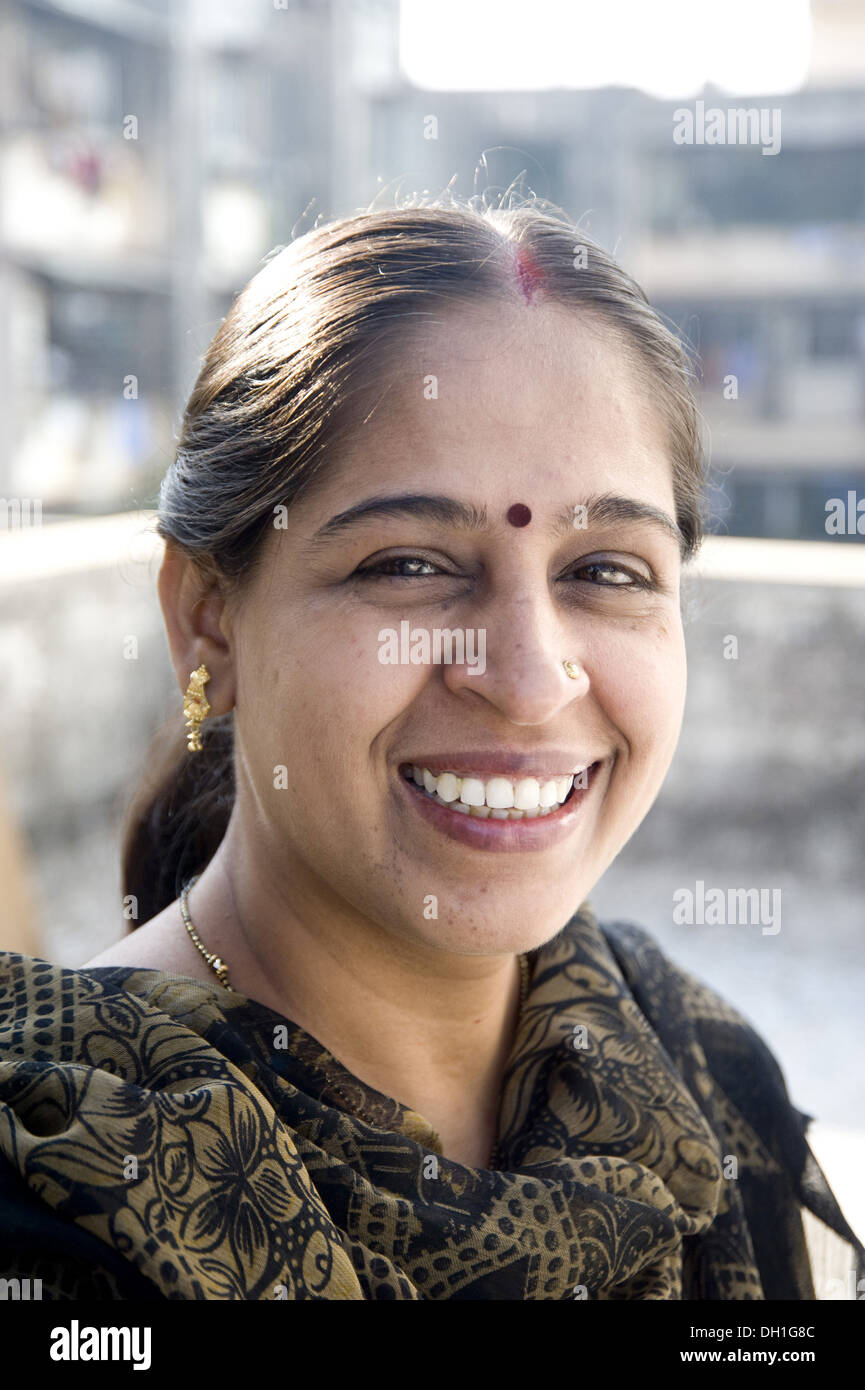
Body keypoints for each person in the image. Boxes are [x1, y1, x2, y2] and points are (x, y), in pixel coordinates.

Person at [0, 195, 861, 1301]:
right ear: (208, 614)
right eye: (408, 563)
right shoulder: (57, 1186)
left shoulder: (700, 1074)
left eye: (605, 569)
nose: (523, 676)